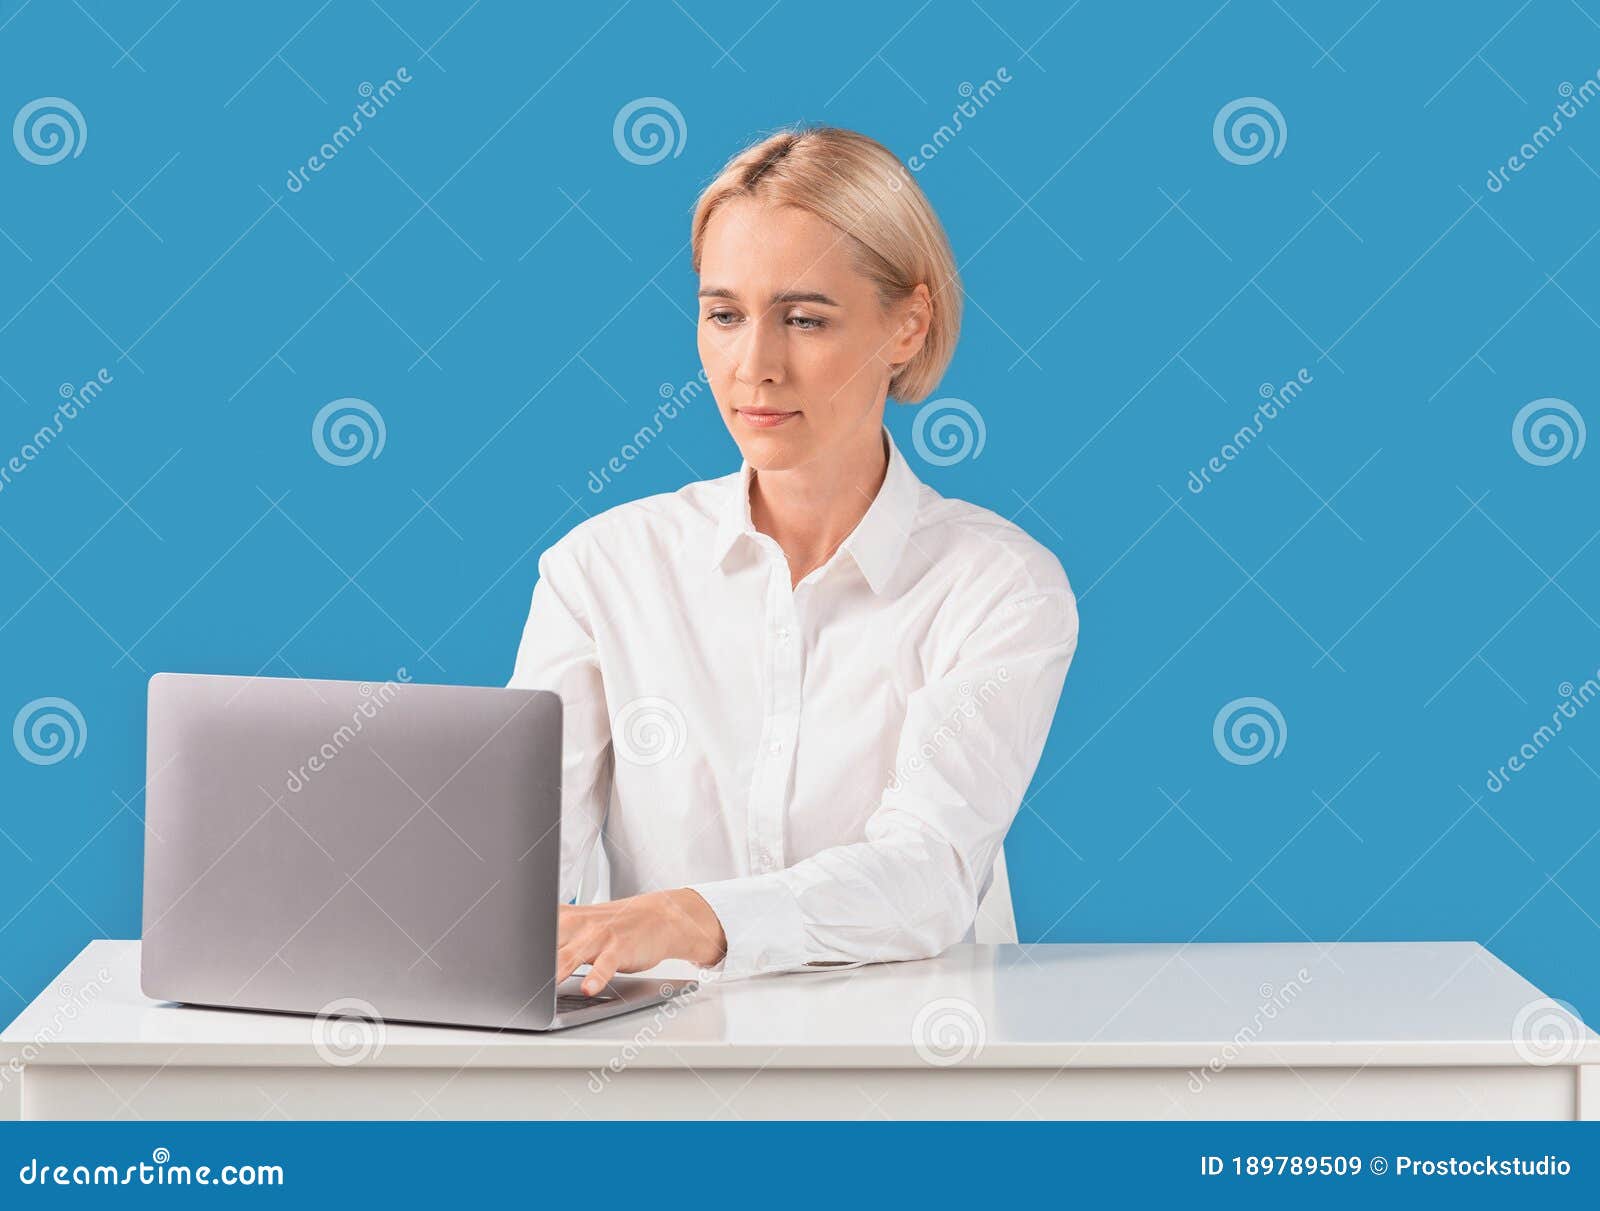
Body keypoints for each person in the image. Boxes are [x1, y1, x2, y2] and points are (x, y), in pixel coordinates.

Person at [508, 126, 1079, 996]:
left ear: (908, 325)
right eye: (724, 314)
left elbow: (926, 874)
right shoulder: (601, 570)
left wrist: (694, 916)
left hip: (917, 1080)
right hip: (660, 1083)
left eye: (805, 319)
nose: (754, 367)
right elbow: (514, 873)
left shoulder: (997, 585)